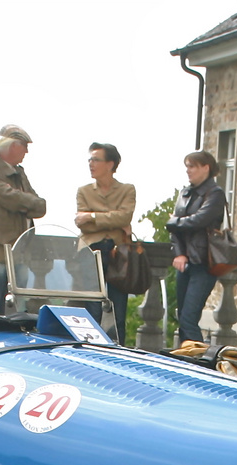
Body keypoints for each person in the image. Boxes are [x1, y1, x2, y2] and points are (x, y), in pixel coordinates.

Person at [0, 128, 46, 313]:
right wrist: (23, 202)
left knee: (17, 312)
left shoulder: (18, 172)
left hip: (17, 252)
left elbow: (40, 206)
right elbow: (9, 198)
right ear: (13, 146)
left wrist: (20, 201)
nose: (27, 152)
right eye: (24, 147)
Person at [75, 142, 137, 343]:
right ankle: (90, 349)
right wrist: (112, 220)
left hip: (118, 254)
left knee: (118, 309)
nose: (91, 164)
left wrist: (92, 216)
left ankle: (118, 350)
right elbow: (82, 225)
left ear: (110, 164)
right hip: (91, 252)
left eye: (96, 160)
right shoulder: (84, 191)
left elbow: (124, 217)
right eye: (89, 160)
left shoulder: (127, 190)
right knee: (92, 310)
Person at [165, 150, 225, 348]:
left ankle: (198, 361)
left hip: (204, 262)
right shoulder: (185, 192)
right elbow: (176, 232)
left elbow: (200, 220)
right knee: (182, 316)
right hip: (186, 262)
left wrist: (175, 222)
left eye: (192, 166)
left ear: (205, 168)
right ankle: (187, 357)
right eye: (187, 167)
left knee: (189, 316)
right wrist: (179, 253)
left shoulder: (215, 194)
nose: (188, 171)